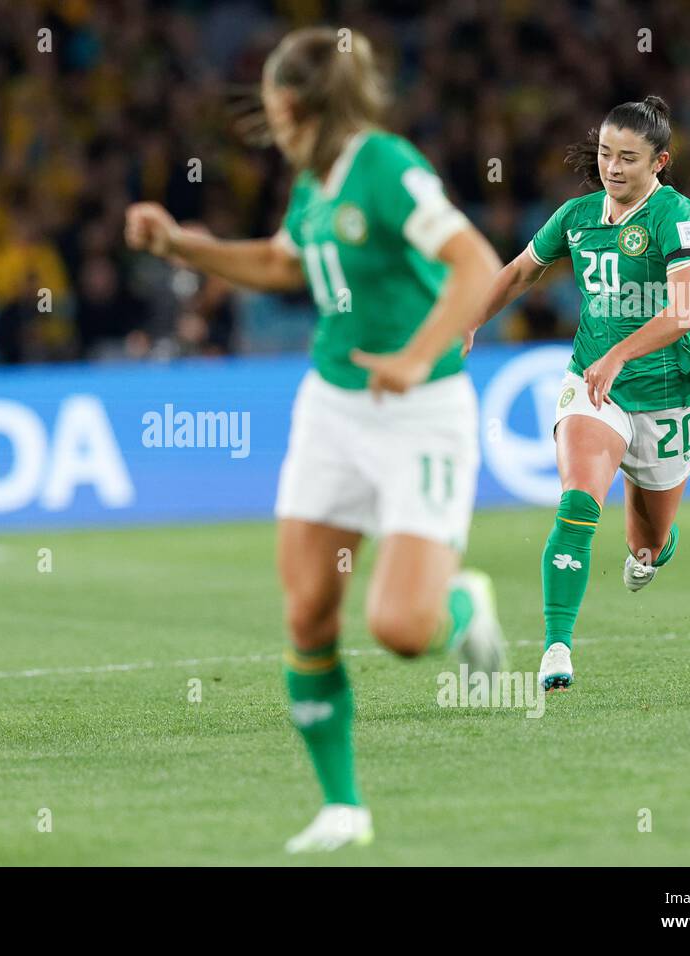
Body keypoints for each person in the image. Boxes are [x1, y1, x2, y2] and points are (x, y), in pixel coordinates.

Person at [125, 27, 504, 853]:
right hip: (332, 411)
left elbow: (476, 265)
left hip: (421, 413)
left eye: (269, 108)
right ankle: (344, 808)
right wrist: (181, 244)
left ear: (292, 106)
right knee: (307, 615)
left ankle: (462, 602)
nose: (269, 124)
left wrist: (413, 355)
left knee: (404, 630)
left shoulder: (389, 167)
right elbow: (282, 265)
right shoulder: (314, 183)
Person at [466, 97, 690, 692]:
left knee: (644, 545)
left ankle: (656, 543)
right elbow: (522, 270)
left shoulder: (676, 217)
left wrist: (622, 351)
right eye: (605, 153)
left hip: (667, 393)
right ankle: (556, 646)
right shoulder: (576, 217)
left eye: (629, 157)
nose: (613, 167)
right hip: (594, 386)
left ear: (660, 161)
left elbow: (686, 310)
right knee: (578, 499)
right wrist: (469, 320)